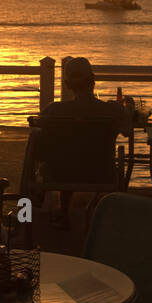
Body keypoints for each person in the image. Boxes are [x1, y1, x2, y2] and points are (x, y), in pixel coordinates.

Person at [35, 57, 125, 230]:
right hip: (100, 173)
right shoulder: (112, 111)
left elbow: (39, 144)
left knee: (67, 154)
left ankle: (60, 212)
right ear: (93, 80)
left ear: (68, 84)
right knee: (81, 155)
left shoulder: (52, 111)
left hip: (60, 174)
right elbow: (128, 131)